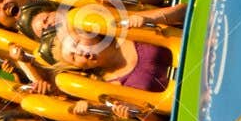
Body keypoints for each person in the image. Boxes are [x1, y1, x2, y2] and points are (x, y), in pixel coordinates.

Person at [38, 23, 174, 94]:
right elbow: (156, 120)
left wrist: (151, 20)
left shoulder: (127, 30)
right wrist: (134, 112)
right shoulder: (111, 88)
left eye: (76, 43)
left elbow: (180, 12)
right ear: (82, 67)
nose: (79, 52)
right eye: (73, 57)